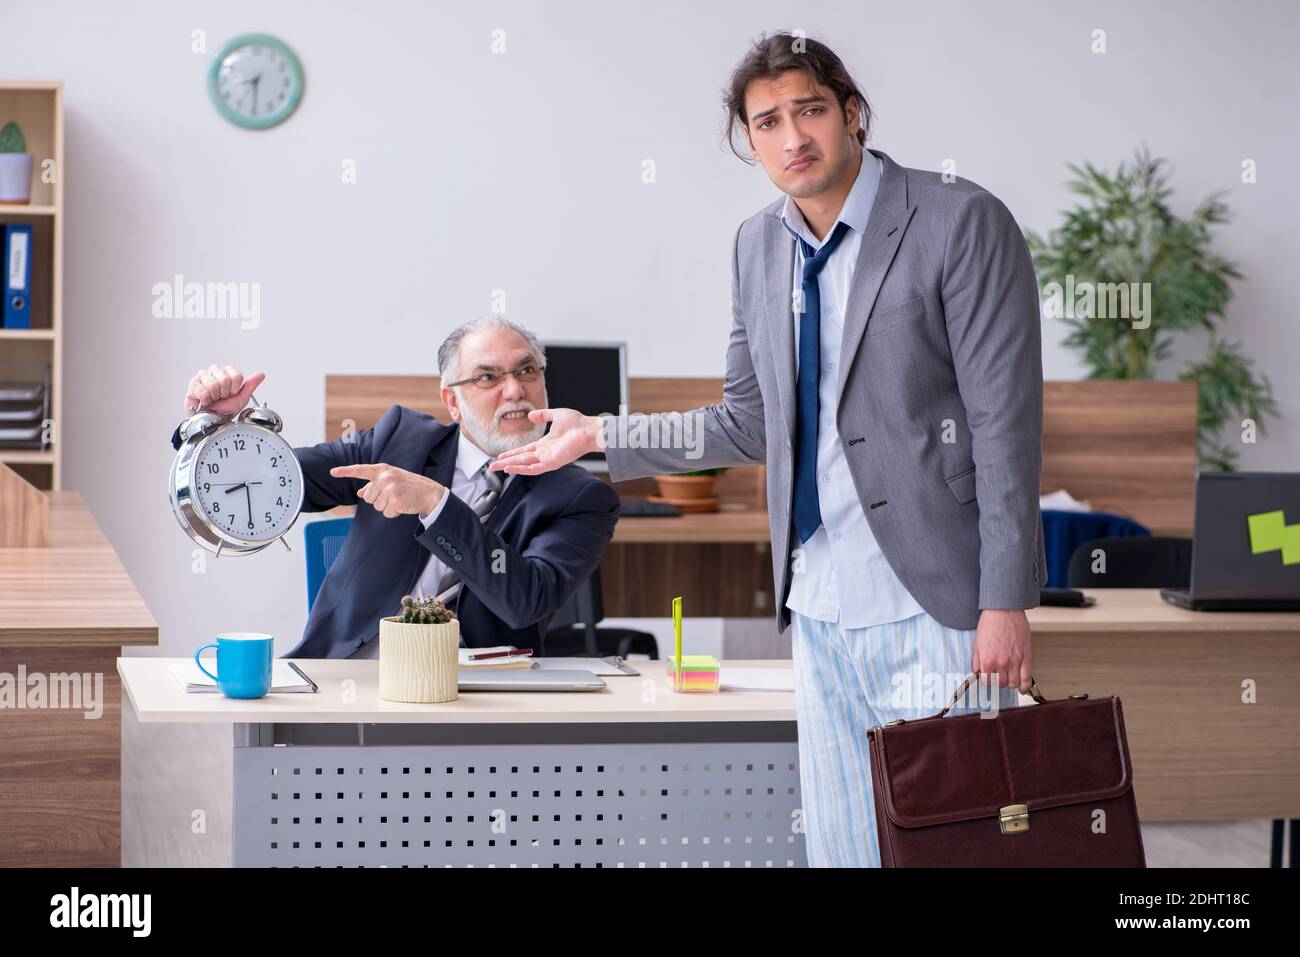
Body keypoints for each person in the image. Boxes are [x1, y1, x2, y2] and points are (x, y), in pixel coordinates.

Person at [491, 33, 1046, 866]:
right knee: (844, 847)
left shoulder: (959, 220)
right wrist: (601, 432)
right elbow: (746, 422)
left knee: (957, 846)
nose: (793, 138)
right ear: (747, 141)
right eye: (767, 122)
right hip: (821, 600)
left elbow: (1005, 425)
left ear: (852, 113)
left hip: (940, 604)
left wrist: (1005, 600)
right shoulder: (757, 245)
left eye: (811, 110)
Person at [173, 317, 620, 658]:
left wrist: (437, 504)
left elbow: (527, 601)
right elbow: (279, 481)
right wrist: (216, 428)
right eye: (488, 377)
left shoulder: (579, 496)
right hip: (350, 676)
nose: (514, 391)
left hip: (478, 702)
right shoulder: (399, 440)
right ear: (453, 401)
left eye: (527, 370)